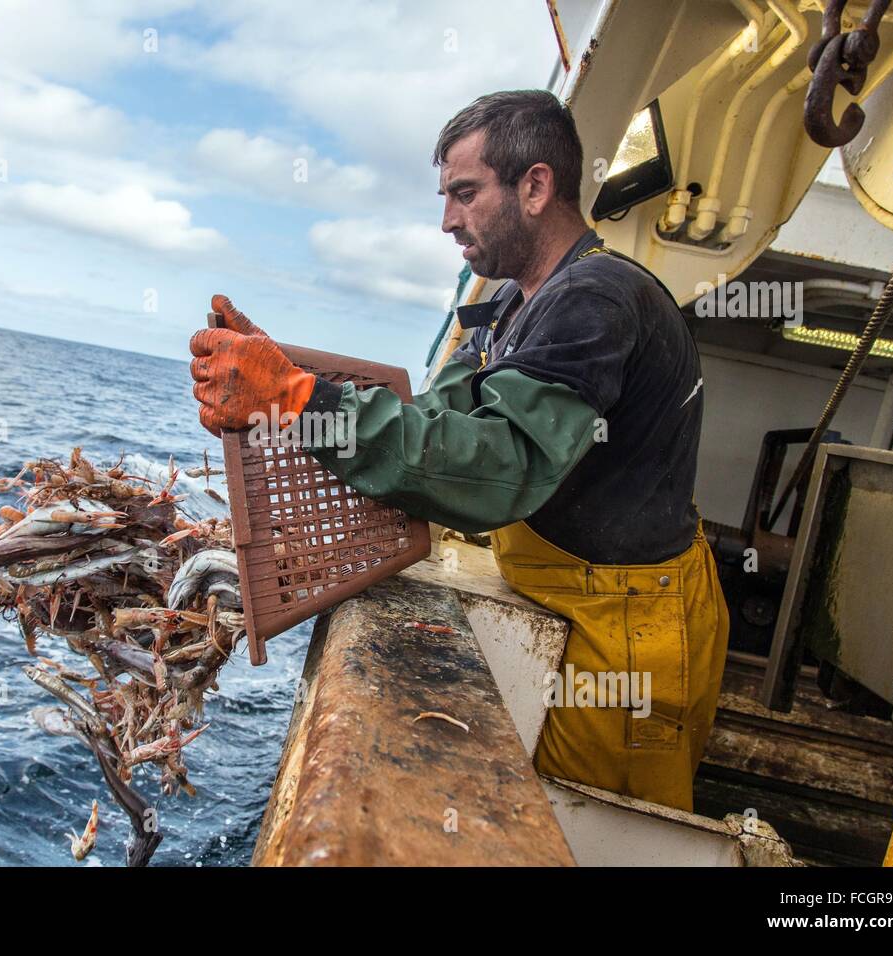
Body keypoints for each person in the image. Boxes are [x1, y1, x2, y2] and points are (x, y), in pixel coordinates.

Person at [188, 90, 729, 812]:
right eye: (446, 197)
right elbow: (438, 427)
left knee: (592, 826)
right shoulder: (514, 304)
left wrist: (297, 401)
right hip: (569, 597)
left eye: (465, 194)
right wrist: (289, 376)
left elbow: (496, 466)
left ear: (535, 187)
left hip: (629, 627)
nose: (447, 220)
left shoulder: (594, 301)